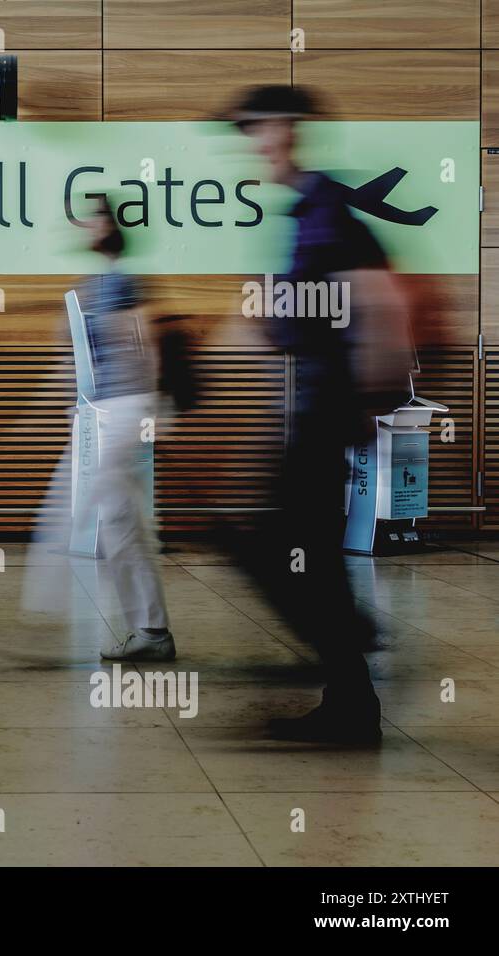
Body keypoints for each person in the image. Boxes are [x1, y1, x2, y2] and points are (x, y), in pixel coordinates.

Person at [228, 85, 411, 746]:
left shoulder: (326, 209)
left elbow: (377, 303)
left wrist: (362, 400)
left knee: (287, 548)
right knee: (299, 550)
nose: (250, 144)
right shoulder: (313, 209)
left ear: (286, 128)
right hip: (319, 409)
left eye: (255, 128)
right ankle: (348, 687)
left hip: (324, 412)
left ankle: (349, 666)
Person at [76, 197, 176, 662]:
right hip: (117, 409)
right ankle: (151, 629)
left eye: (93, 218)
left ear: (109, 228)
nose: (85, 226)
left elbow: (145, 340)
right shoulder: (94, 284)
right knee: (123, 519)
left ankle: (152, 631)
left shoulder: (120, 281)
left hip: (128, 409)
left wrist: (152, 406)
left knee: (118, 519)